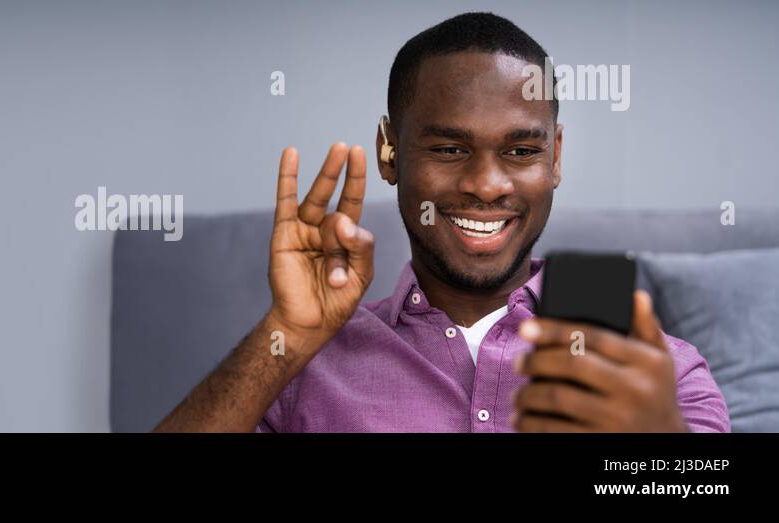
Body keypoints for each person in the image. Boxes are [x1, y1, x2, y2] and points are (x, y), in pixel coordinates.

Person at [154, 12, 729, 433]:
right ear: (389, 153)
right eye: (450, 149)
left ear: (556, 158)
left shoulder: (661, 374)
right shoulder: (301, 369)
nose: (486, 184)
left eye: (522, 152)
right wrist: (286, 335)